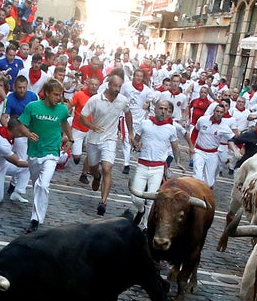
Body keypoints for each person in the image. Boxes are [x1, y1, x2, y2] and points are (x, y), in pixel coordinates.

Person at [10, 79, 72, 233]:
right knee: (36, 183)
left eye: (60, 95)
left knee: (43, 185)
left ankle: (36, 219)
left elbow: (65, 123)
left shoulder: (62, 110)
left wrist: (70, 139)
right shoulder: (33, 107)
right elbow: (21, 124)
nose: (58, 98)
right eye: (56, 95)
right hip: (35, 152)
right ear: (47, 93)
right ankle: (36, 214)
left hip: (52, 152)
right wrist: (28, 134)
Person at [80, 73, 132, 216]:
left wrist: (131, 132)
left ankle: (103, 202)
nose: (117, 89)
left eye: (119, 86)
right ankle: (96, 176)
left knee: (107, 168)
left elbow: (128, 113)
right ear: (109, 85)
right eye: (115, 86)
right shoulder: (96, 99)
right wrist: (92, 126)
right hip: (93, 139)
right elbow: (82, 117)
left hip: (110, 139)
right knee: (93, 167)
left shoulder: (122, 100)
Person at [130, 98, 187, 220]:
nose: (163, 112)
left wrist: (178, 162)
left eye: (166, 109)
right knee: (135, 197)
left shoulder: (171, 128)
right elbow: (136, 139)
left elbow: (176, 148)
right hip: (142, 165)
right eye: (161, 108)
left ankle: (146, 226)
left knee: (152, 199)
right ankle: (141, 210)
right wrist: (135, 144)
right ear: (155, 109)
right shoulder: (145, 123)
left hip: (158, 168)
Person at [190, 102, 234, 189]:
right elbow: (195, 131)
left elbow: (233, 138)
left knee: (209, 182)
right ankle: (196, 193)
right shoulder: (202, 120)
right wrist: (191, 146)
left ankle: (205, 194)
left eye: (221, 112)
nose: (218, 114)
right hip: (199, 151)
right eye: (217, 111)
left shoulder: (224, 127)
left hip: (213, 154)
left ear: (224, 113)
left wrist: (237, 149)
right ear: (214, 111)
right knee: (197, 176)